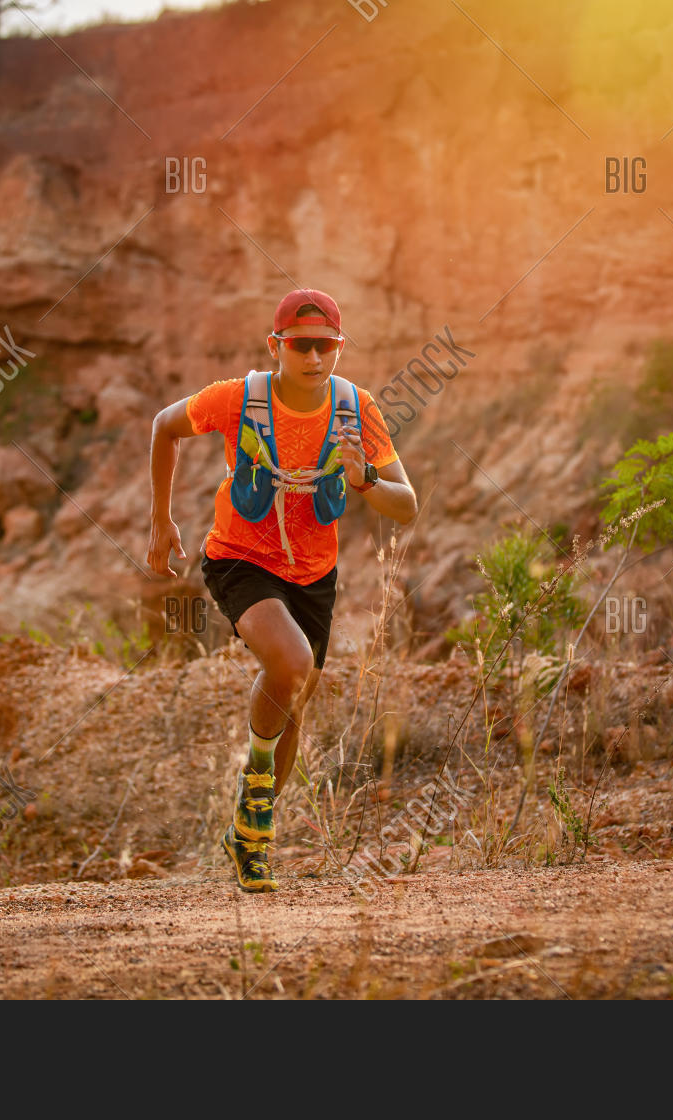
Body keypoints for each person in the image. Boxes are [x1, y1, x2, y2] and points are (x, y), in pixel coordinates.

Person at [147, 289, 417, 891]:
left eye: (327, 346)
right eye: (301, 345)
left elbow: (408, 507)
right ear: (277, 346)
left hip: (315, 576)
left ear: (340, 349)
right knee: (291, 662)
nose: (314, 357)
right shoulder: (239, 399)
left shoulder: (357, 411)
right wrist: (161, 520)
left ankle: (251, 836)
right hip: (239, 559)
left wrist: (366, 477)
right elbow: (165, 428)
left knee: (294, 698)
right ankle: (258, 793)